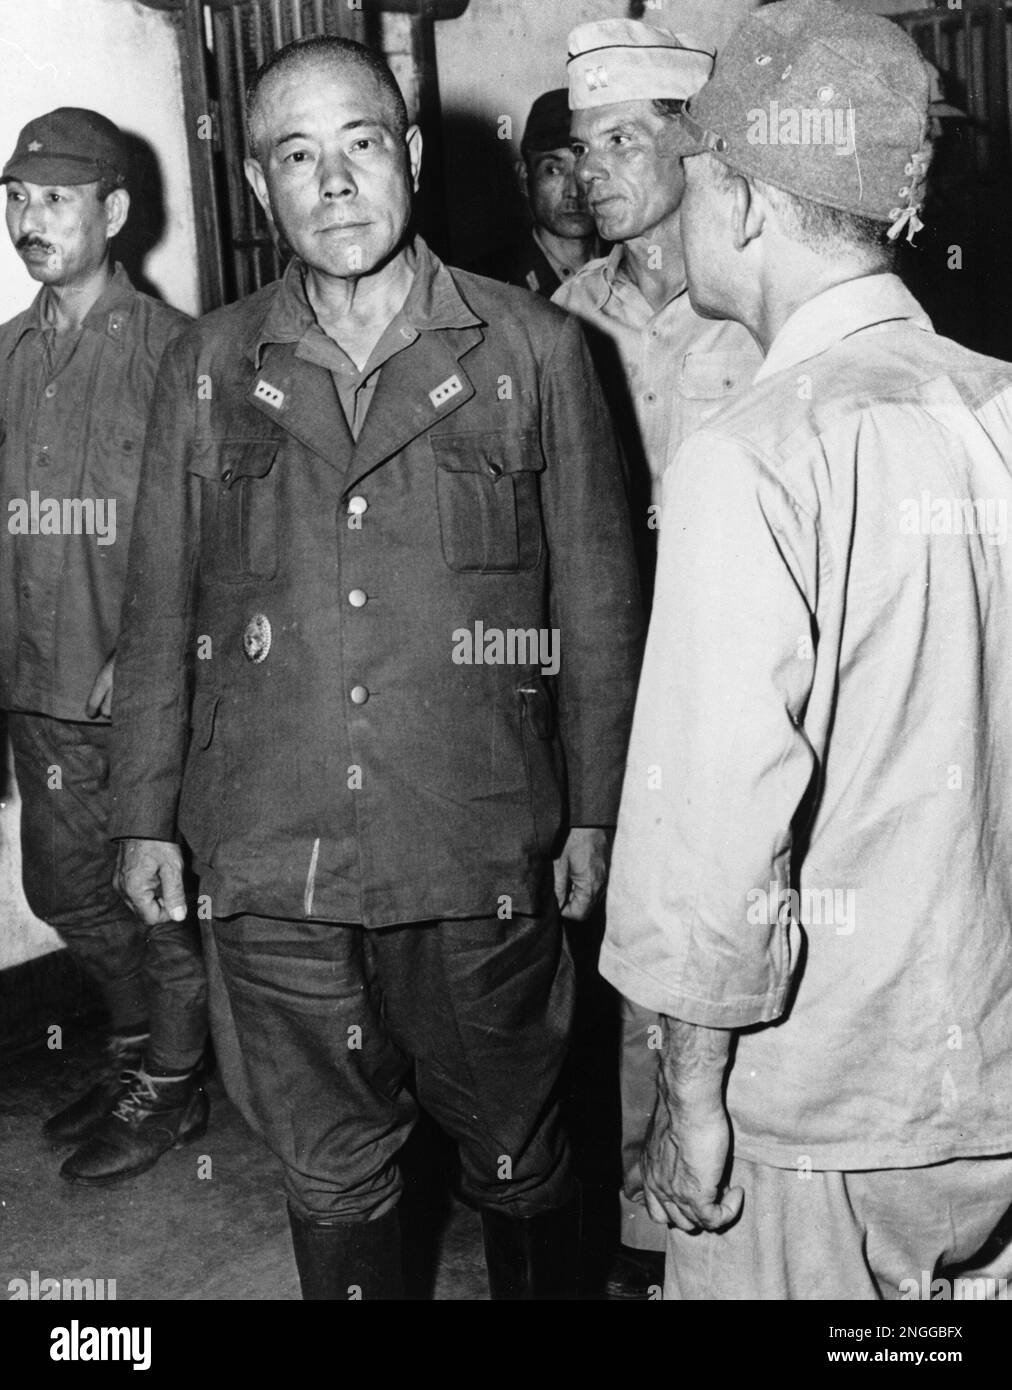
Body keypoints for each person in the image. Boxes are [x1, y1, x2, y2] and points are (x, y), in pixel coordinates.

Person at [109, 35, 642, 1301]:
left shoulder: (535, 350)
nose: (335, 181)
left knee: (516, 1149)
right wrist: (142, 814)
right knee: (329, 1170)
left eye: (360, 144)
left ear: (406, 156)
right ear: (258, 186)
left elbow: (601, 603)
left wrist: (601, 809)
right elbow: (154, 609)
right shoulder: (207, 367)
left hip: (474, 846)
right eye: (298, 155)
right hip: (268, 845)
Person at [601, 0, 1012, 1300]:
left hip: (823, 1106)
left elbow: (717, 827)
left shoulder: (758, 452)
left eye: (696, 171)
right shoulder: (998, 403)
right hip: (985, 1077)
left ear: (744, 201)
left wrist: (693, 1091)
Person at [553, 15, 762, 1300]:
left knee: (733, 941)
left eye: (627, 140)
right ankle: (644, 1238)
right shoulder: (562, 319)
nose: (596, 171)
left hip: (747, 691)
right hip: (619, 692)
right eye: (584, 149)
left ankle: (720, 1220)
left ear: (697, 146)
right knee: (632, 958)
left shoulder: (754, 311)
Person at [0, 108, 209, 1183]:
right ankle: (140, 1048)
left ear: (114, 212)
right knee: (60, 892)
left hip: (134, 696)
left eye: (55, 199)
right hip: (37, 685)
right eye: (16, 199)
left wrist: (160, 654)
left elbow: (225, 531)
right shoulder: (9, 354)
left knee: (151, 895)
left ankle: (173, 1085)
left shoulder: (177, 353)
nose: (30, 221)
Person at [476, 88, 599, 297]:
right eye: (553, 170)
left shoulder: (633, 269)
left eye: (583, 167)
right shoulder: (486, 285)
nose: (573, 191)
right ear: (525, 177)